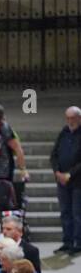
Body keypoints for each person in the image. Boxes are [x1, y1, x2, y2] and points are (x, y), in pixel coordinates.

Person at [49, 106, 81, 257]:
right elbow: (54, 154)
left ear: (79, 118)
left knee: (77, 212)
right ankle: (67, 241)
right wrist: (57, 172)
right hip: (62, 181)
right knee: (65, 212)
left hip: (77, 181)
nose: (70, 121)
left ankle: (78, 242)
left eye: (72, 118)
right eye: (67, 118)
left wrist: (70, 174)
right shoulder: (64, 132)